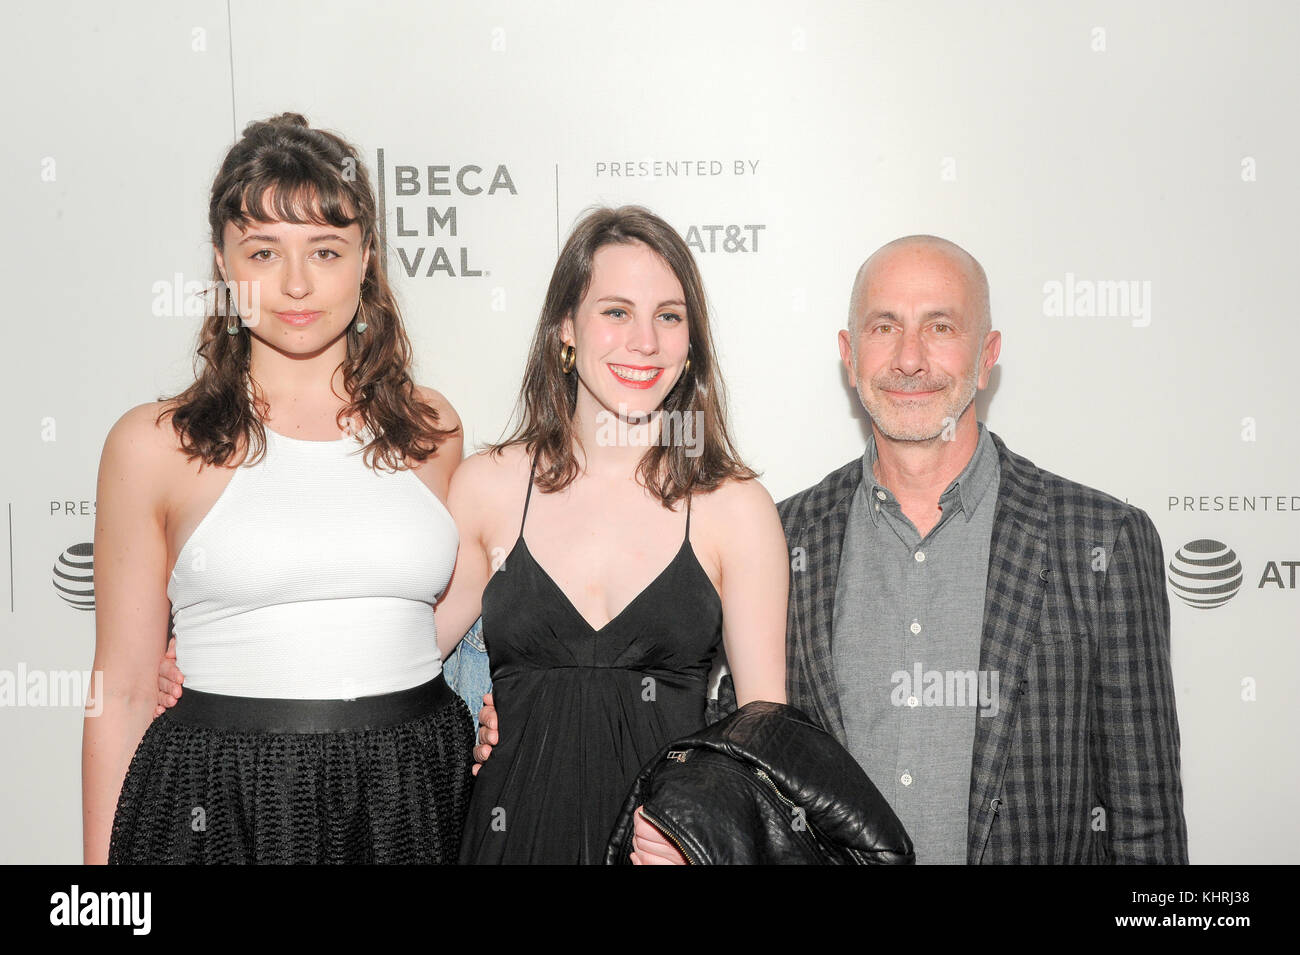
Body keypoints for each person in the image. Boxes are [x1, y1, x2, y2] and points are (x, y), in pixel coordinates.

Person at [480, 234, 1190, 865]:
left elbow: (1146, 821)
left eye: (940, 327)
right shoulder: (779, 535)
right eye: (884, 327)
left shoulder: (1100, 542)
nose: (910, 358)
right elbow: (715, 730)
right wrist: (504, 699)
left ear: (988, 355)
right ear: (849, 356)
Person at [157, 205, 790, 865]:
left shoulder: (735, 508)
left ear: (692, 343)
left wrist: (705, 836)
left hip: (663, 850)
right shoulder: (489, 487)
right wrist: (207, 661)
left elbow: (766, 737)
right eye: (615, 312)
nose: (645, 342)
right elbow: (391, 650)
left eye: (669, 315)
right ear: (565, 329)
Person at [85, 113, 473, 864]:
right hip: (220, 799)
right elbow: (125, 692)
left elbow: (464, 624)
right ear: (223, 263)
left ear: (366, 259)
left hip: (412, 792)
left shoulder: (432, 429)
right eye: (264, 251)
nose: (296, 283)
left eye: (325, 250)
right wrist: (100, 899)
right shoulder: (153, 443)